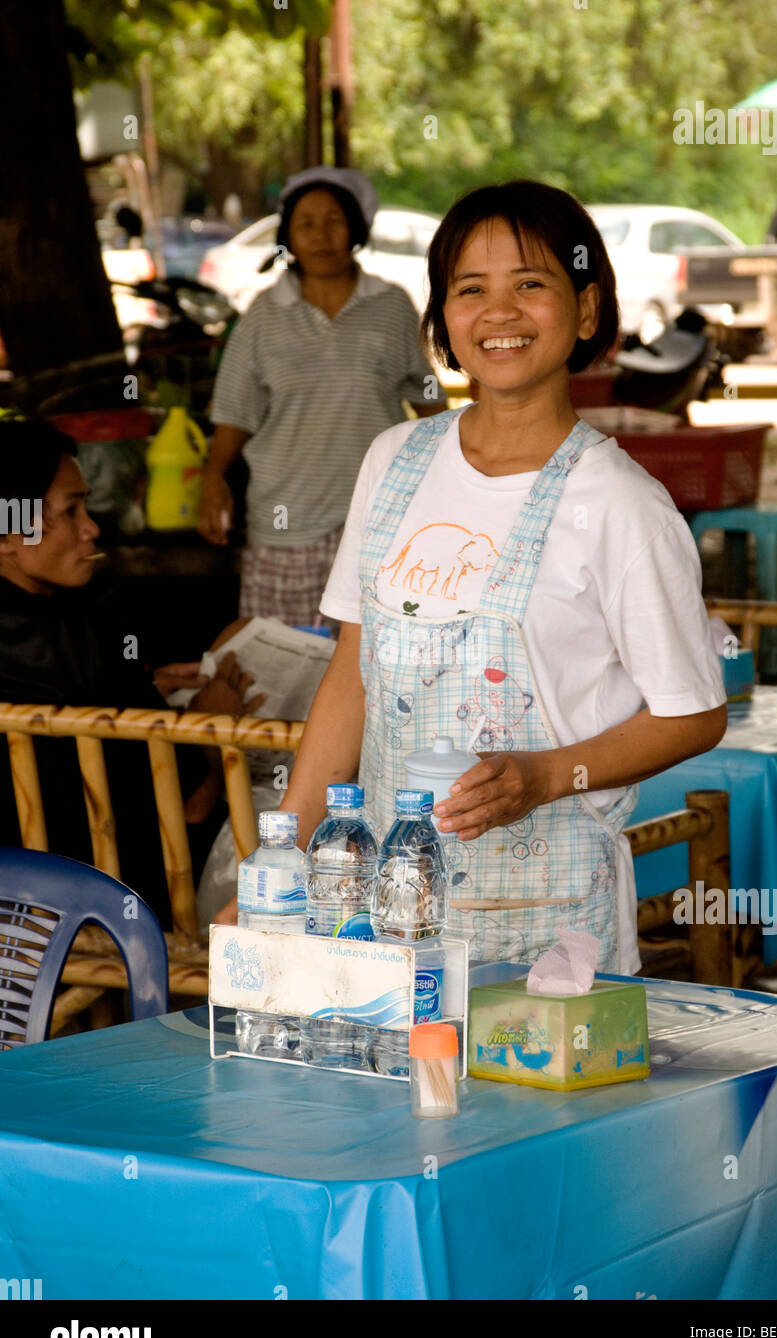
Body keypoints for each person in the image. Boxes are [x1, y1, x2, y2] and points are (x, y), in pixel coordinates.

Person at [216, 180, 727, 972]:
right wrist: (275, 878)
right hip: (387, 922)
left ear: (586, 311)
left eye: (531, 284)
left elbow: (693, 715)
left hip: (546, 938)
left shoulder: (621, 504)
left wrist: (545, 774)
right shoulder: (394, 459)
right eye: (470, 290)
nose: (499, 313)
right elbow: (351, 674)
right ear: (442, 322)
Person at [0, 418, 264, 924]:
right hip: (108, 905)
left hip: (21, 906)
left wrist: (144, 687)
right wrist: (212, 730)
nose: (91, 528)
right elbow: (186, 808)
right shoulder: (86, 636)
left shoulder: (58, 638)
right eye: (71, 510)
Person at [198, 166, 446, 626]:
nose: (321, 235)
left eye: (334, 220)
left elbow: (429, 398)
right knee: (280, 666)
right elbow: (235, 413)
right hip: (284, 522)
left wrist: (445, 478)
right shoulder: (264, 315)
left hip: (379, 519)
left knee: (369, 668)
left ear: (356, 228)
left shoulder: (390, 306)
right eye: (306, 223)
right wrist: (213, 482)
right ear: (288, 235)